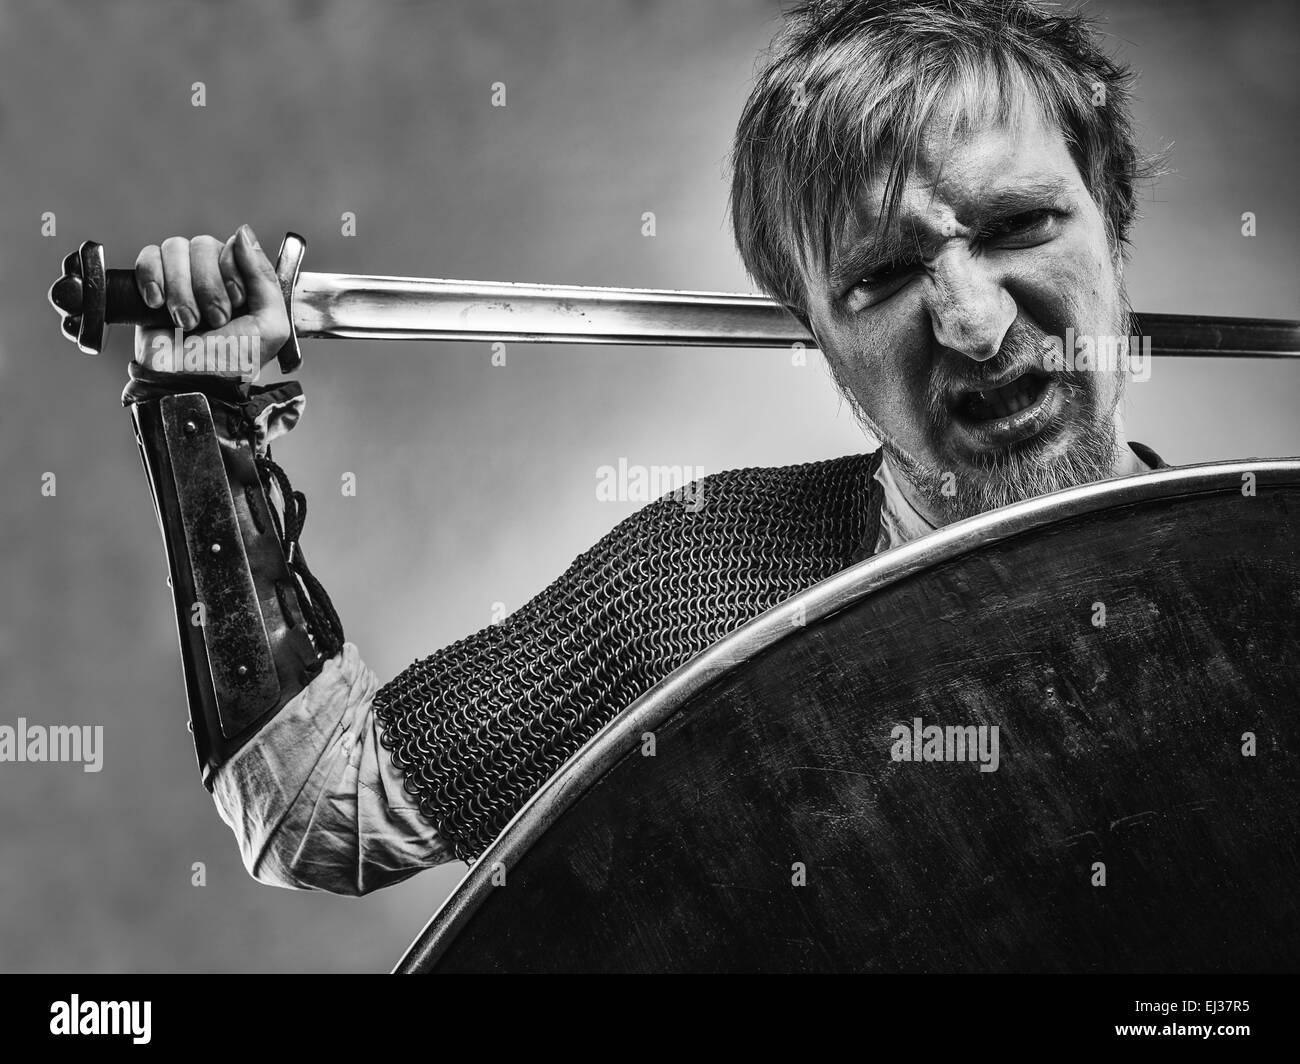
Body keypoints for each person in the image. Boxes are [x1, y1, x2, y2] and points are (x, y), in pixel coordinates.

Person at [122, 0, 1166, 896]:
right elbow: (313, 805)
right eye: (883, 277)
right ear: (818, 336)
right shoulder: (699, 578)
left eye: (1019, 224)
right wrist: (196, 409)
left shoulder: (1267, 564)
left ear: (1110, 226)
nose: (974, 324)